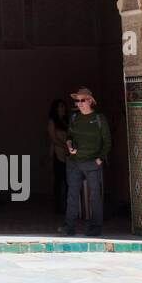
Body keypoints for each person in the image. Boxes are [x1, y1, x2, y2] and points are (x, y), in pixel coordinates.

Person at [62, 87, 112, 237]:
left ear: (90, 101)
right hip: (74, 162)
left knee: (94, 196)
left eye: (82, 100)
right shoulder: (74, 118)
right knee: (72, 195)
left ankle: (95, 228)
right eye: (77, 101)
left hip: (92, 163)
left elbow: (107, 142)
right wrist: (70, 146)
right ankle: (69, 227)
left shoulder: (99, 119)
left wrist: (100, 159)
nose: (79, 103)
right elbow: (69, 136)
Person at [46, 98, 70, 216]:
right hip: (57, 154)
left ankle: (67, 206)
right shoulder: (52, 121)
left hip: (68, 155)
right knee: (59, 181)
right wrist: (64, 146)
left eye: (63, 106)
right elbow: (53, 138)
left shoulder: (67, 121)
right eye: (60, 106)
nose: (63, 109)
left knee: (68, 181)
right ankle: (58, 207)